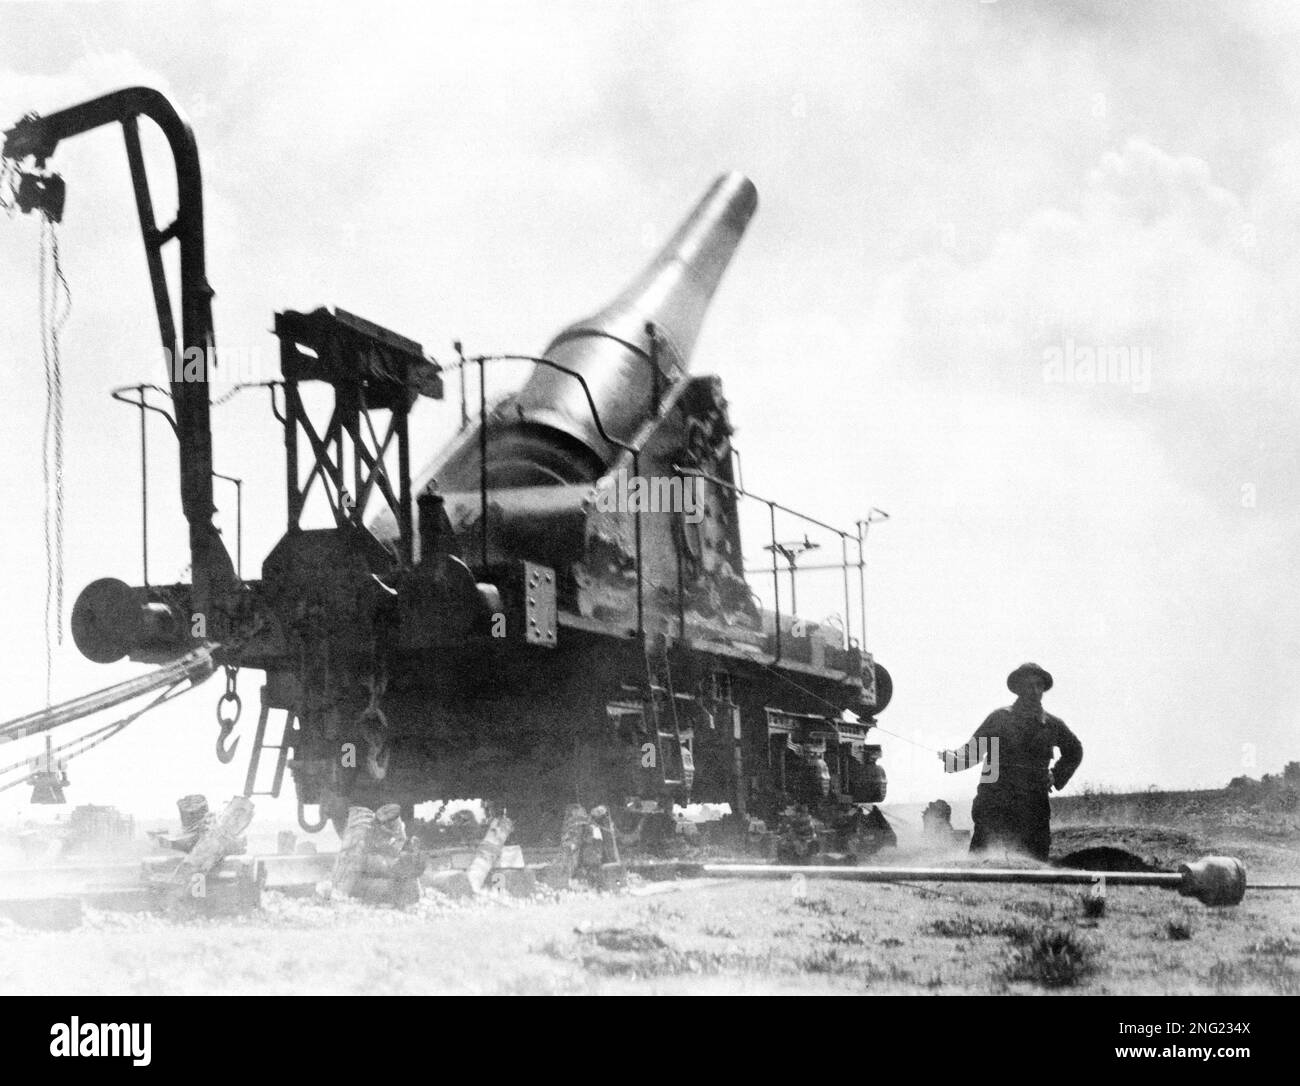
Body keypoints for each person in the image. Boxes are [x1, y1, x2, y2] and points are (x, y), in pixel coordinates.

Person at [939, 662, 1082, 861]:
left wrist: (1056, 776)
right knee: (983, 865)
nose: (1034, 691)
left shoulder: (1052, 725)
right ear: (1018, 689)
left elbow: (1075, 751)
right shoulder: (1000, 719)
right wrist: (952, 760)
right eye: (1028, 685)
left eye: (1038, 686)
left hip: (1034, 809)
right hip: (996, 806)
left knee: (1035, 868)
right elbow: (973, 752)